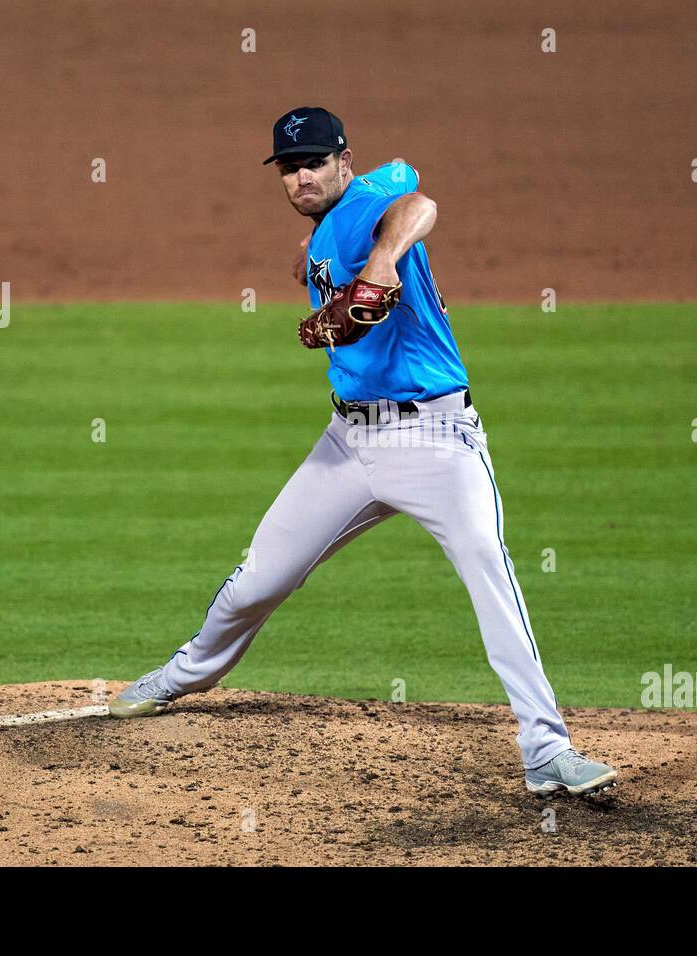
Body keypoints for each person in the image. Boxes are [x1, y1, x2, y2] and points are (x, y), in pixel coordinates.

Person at [111, 107, 617, 797]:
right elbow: (402, 167)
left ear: (344, 160)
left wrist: (381, 259)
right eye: (289, 168)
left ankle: (546, 750)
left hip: (437, 442)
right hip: (347, 445)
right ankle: (181, 676)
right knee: (260, 578)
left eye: (314, 162)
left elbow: (418, 202)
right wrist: (316, 246)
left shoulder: (374, 206)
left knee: (487, 573)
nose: (301, 177)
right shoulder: (343, 206)